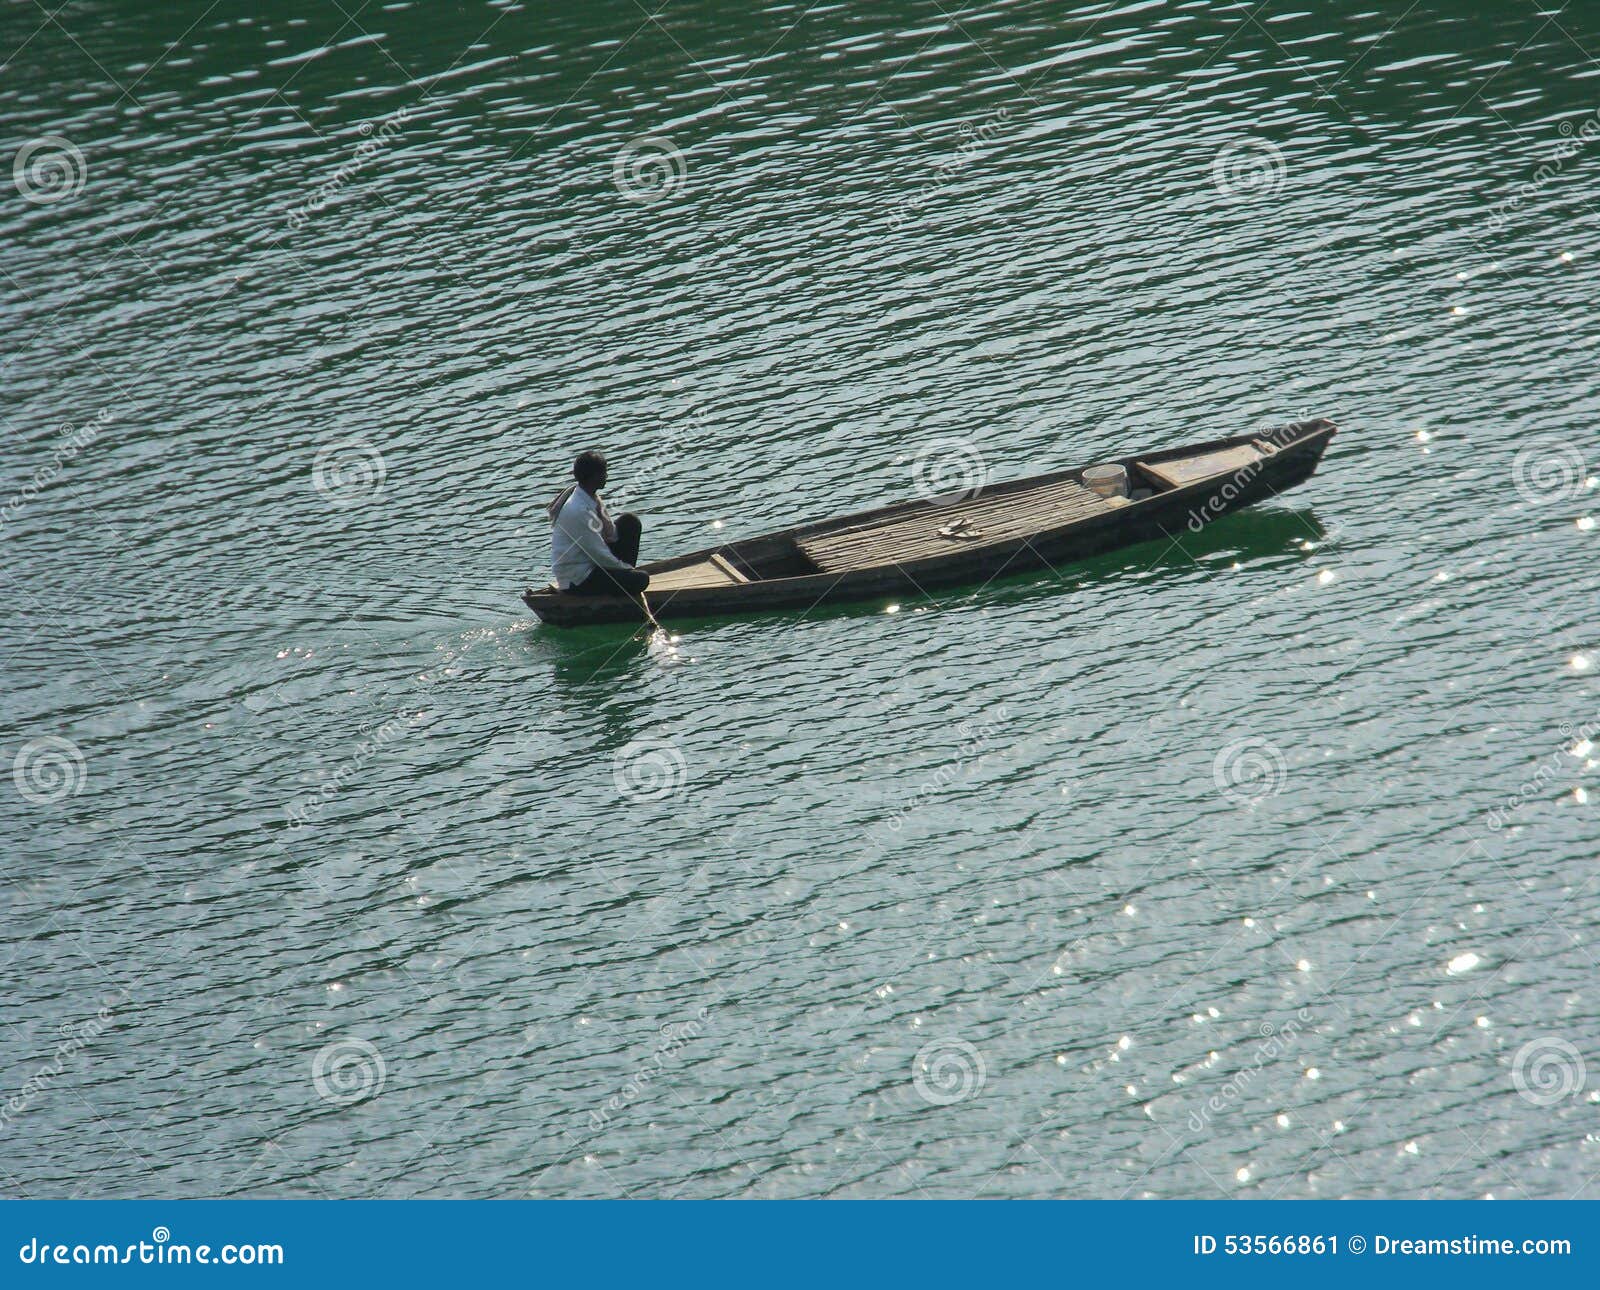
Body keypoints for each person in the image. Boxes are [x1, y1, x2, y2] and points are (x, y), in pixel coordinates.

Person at [548, 451, 649, 596]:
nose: (606, 477)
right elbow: (598, 554)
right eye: (604, 473)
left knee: (630, 522)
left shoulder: (592, 498)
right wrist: (626, 569)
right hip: (577, 579)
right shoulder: (578, 510)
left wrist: (624, 568)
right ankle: (624, 583)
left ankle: (623, 580)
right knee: (641, 579)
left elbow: (612, 535)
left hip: (593, 564)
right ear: (594, 477)